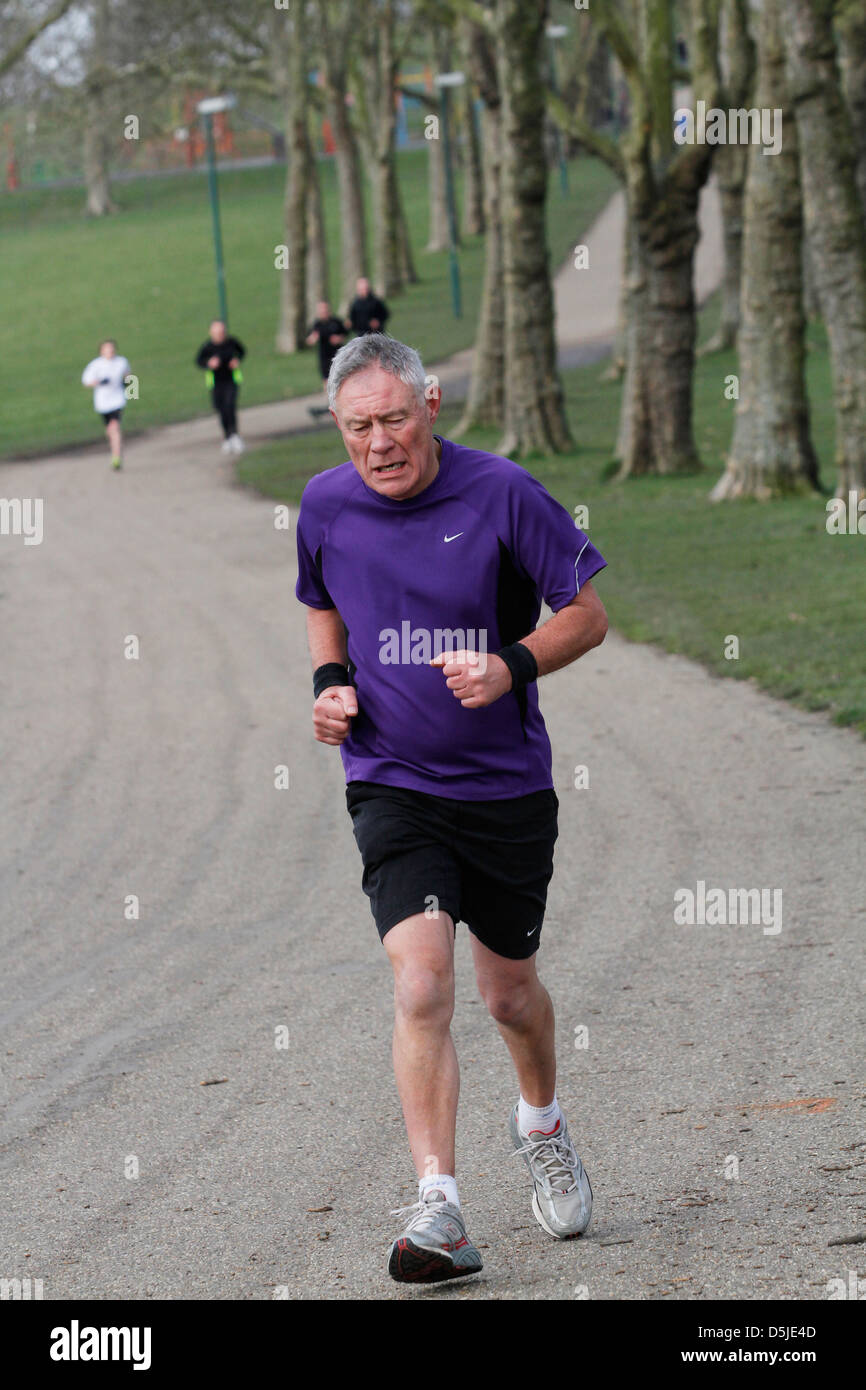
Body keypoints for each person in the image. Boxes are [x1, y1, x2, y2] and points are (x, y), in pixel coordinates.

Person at [295, 335, 608, 1285]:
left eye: (395, 418)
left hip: (505, 787)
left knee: (508, 995)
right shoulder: (323, 502)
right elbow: (321, 600)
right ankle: (440, 1209)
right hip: (390, 779)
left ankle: (542, 1122)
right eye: (359, 428)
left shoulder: (501, 491)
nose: (380, 443)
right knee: (422, 982)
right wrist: (330, 683)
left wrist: (510, 663)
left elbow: (587, 613)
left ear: (432, 402)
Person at [195, 320, 246, 454]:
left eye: (222, 332)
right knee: (221, 409)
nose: (220, 335)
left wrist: (237, 360)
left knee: (230, 405)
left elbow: (242, 352)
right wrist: (209, 363)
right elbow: (199, 361)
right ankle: (227, 437)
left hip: (231, 380)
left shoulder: (232, 343)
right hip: (216, 383)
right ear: (211, 333)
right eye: (217, 332)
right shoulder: (208, 347)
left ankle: (235, 435)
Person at [81, 339, 131, 470]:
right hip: (103, 402)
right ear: (101, 351)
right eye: (106, 349)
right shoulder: (96, 365)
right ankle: (115, 448)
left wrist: (131, 392)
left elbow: (129, 375)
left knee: (114, 428)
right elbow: (86, 381)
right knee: (110, 430)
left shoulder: (121, 362)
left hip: (117, 400)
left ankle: (116, 457)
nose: (110, 351)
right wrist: (99, 382)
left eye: (112, 348)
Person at [305, 300, 347, 418]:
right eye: (321, 310)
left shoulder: (336, 322)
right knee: (327, 382)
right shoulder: (316, 325)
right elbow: (309, 340)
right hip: (324, 358)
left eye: (325, 310)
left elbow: (345, 333)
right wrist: (313, 338)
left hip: (338, 356)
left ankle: (341, 403)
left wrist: (338, 339)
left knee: (340, 379)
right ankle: (332, 404)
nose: (324, 312)